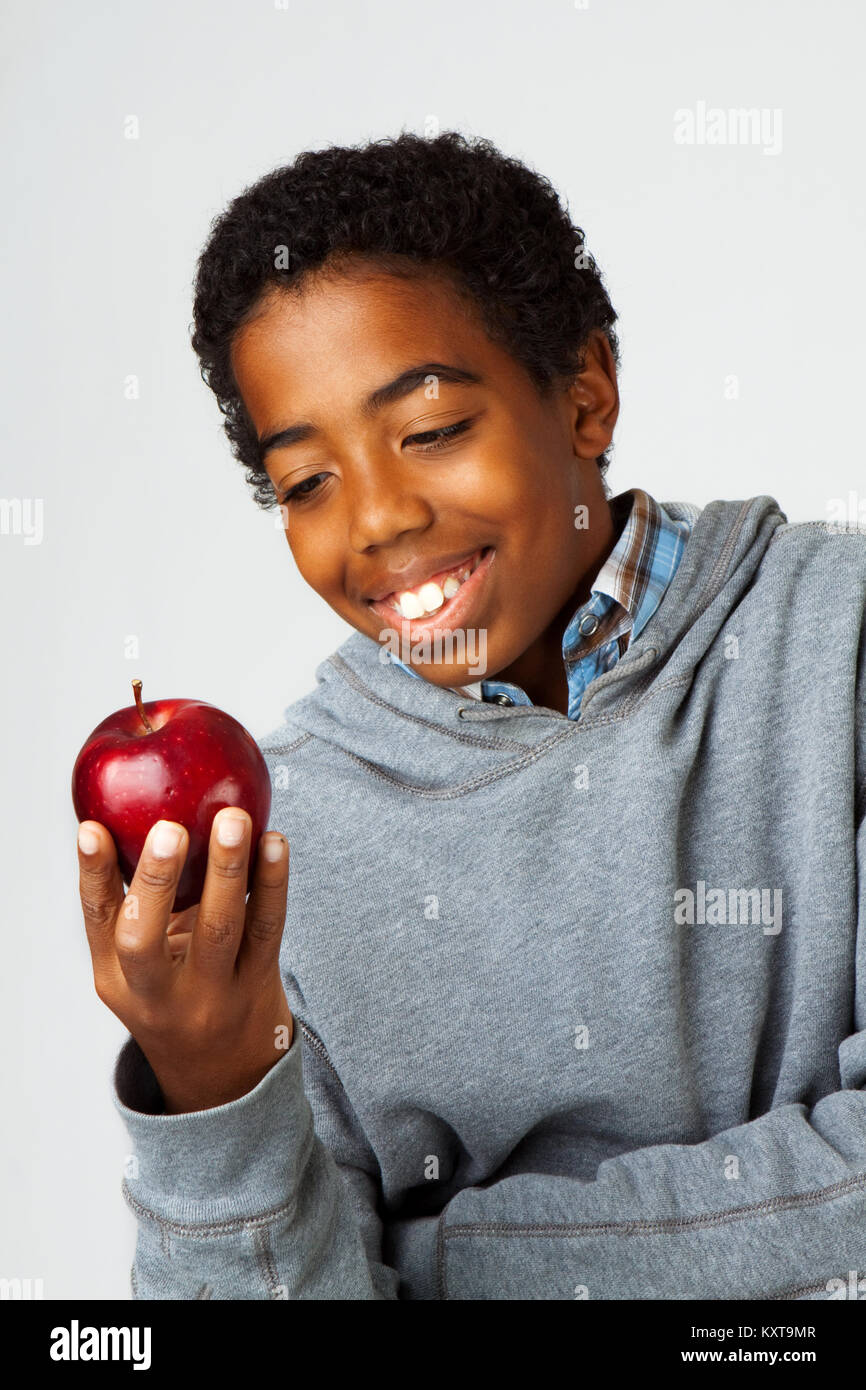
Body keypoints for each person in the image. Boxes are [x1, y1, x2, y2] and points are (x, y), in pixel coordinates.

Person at [77, 131, 866, 1300]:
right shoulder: (276, 838)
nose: (378, 519)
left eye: (431, 429)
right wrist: (212, 1089)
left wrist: (445, 1266)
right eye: (306, 482)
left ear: (584, 395)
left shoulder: (834, 638)